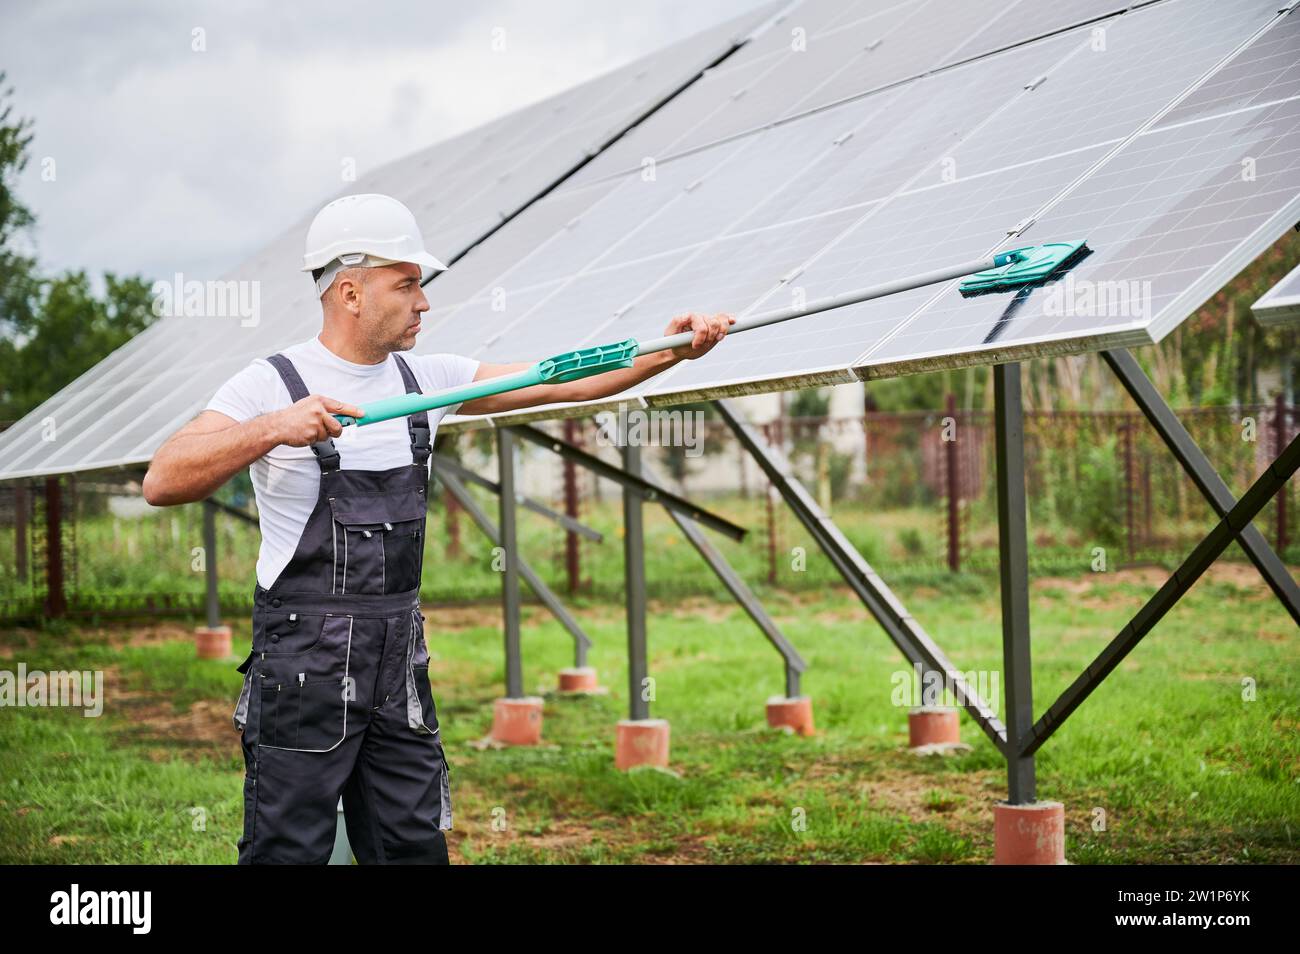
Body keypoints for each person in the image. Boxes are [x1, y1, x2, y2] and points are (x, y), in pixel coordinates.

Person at [141, 192, 732, 864]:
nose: (423, 303)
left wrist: (674, 351)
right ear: (350, 292)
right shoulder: (270, 384)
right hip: (303, 666)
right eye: (408, 283)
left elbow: (561, 383)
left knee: (413, 845)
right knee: (288, 849)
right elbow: (164, 479)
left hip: (398, 664)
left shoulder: (430, 381)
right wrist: (275, 427)